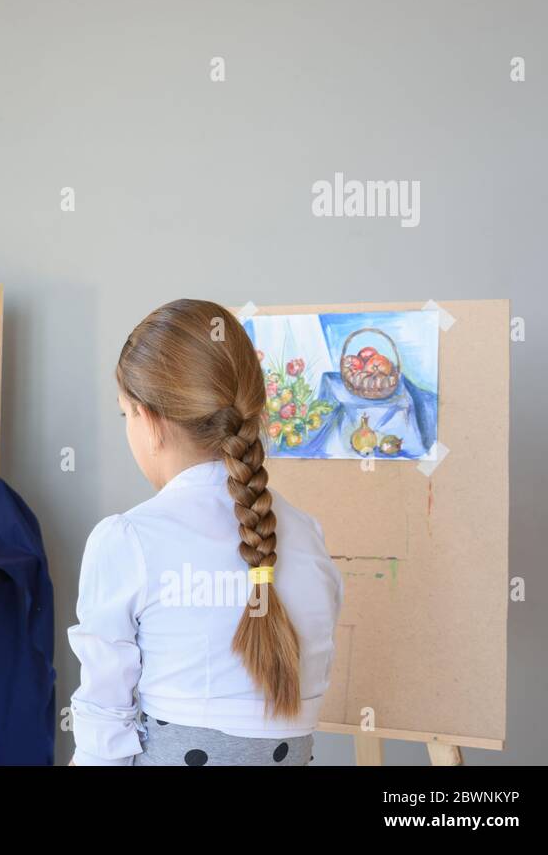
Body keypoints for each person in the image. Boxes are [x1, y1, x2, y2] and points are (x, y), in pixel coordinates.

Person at [67, 299, 343, 765]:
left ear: (149, 420)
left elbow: (102, 720)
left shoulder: (127, 540)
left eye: (125, 415)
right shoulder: (307, 537)